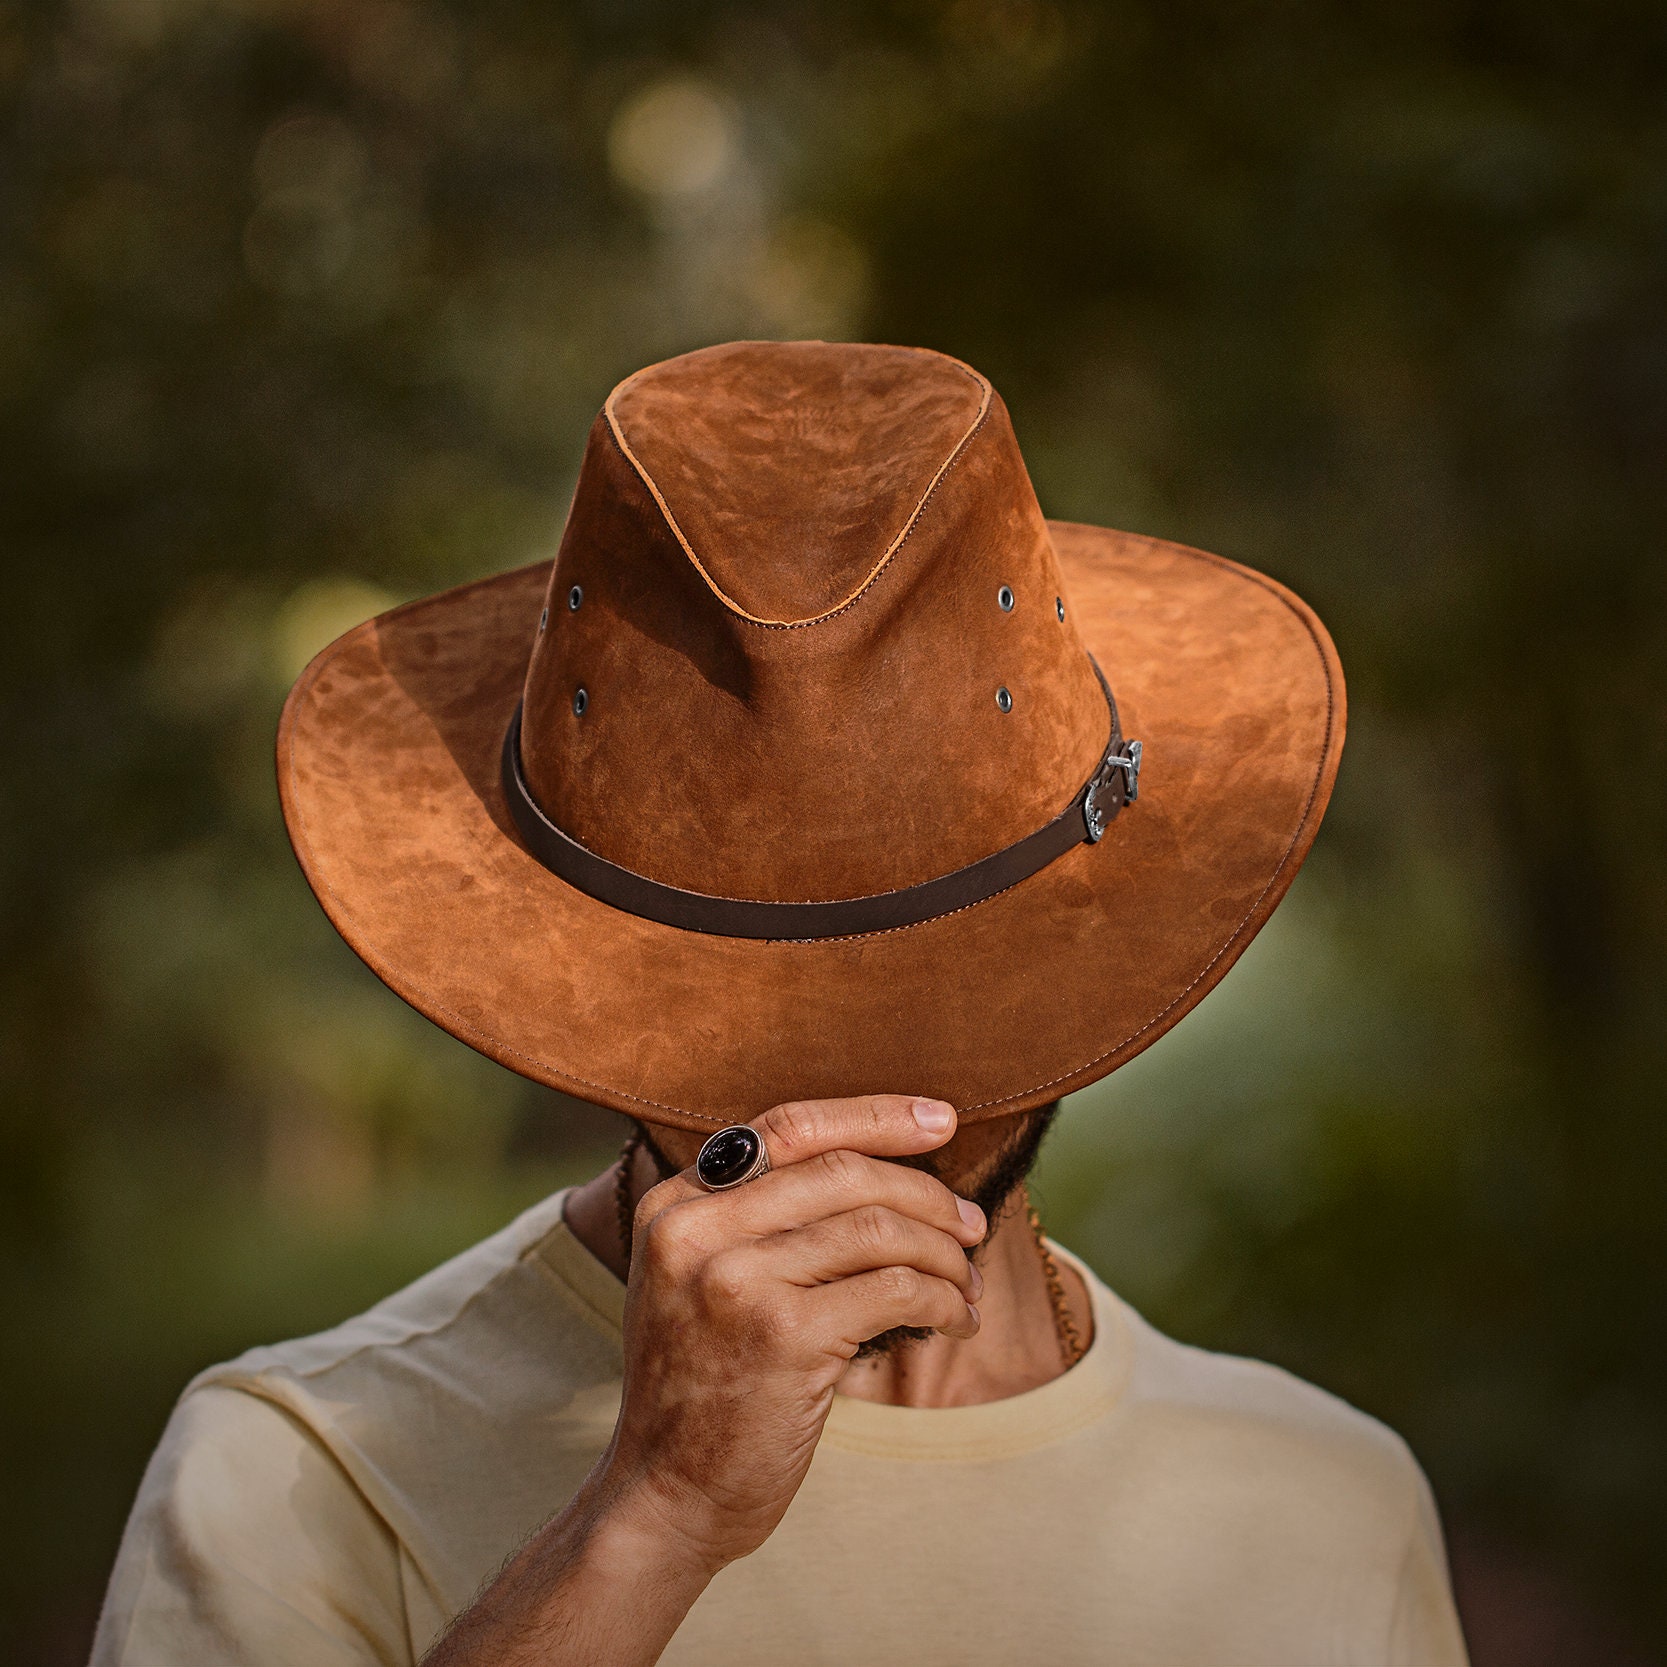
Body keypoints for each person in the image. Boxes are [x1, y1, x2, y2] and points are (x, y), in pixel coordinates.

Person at [92, 340, 1469, 1666]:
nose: (845, 1101)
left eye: (946, 978)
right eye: (749, 988)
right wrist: (652, 1522)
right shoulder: (300, 1476)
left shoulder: (1332, 1507)